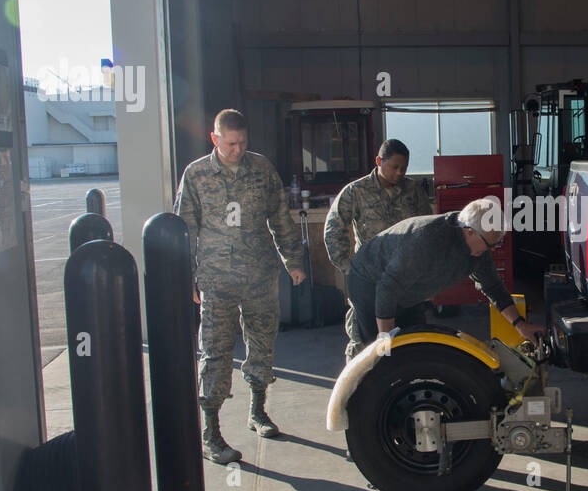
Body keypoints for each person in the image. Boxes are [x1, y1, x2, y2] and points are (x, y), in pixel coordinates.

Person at [174, 109, 306, 464]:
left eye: (243, 142)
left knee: (262, 345)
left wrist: (293, 261)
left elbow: (280, 216)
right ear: (214, 139)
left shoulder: (261, 169)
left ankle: (258, 412)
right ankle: (211, 433)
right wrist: (186, 276)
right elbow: (185, 229)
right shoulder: (196, 175)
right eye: (230, 143)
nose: (237, 149)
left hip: (259, 276)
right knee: (215, 353)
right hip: (216, 280)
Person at [345, 196, 541, 357]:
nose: (491, 250)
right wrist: (385, 338)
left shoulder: (478, 251)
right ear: (469, 231)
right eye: (490, 244)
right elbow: (387, 286)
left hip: (407, 292)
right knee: (378, 356)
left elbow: (493, 287)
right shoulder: (428, 240)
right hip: (369, 281)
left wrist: (520, 325)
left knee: (416, 350)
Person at [324, 138, 433, 361]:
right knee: (366, 348)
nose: (399, 173)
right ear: (378, 161)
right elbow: (333, 231)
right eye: (394, 167)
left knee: (412, 343)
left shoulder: (413, 191)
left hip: (407, 283)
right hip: (370, 283)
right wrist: (350, 270)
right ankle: (360, 393)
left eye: (404, 168)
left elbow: (427, 230)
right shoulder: (356, 191)